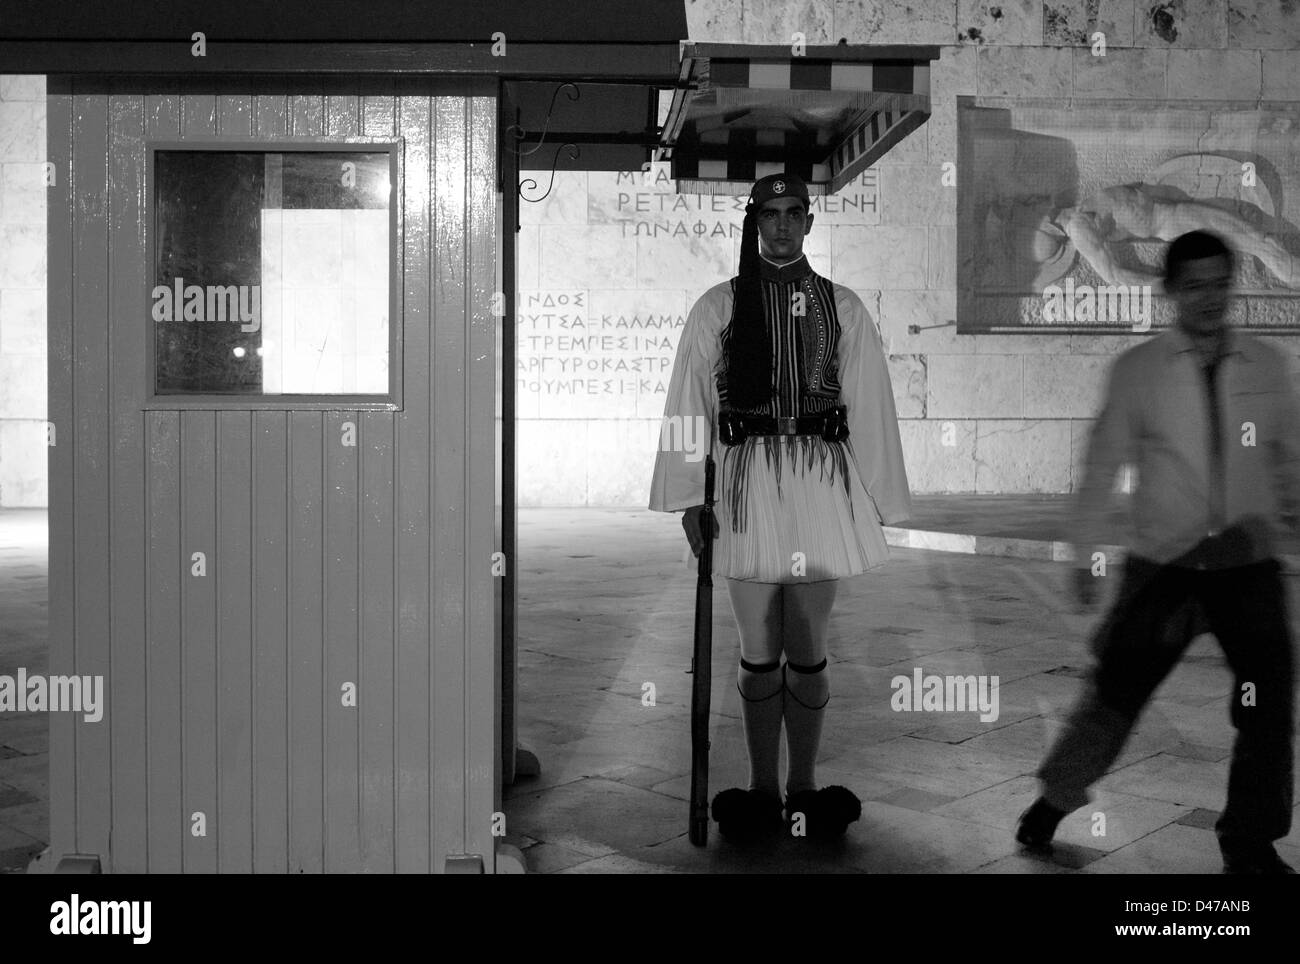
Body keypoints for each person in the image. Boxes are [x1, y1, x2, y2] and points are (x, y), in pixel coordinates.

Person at [1016, 230, 1300, 874]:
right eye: (1195, 285)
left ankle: (1250, 840)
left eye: (1220, 283)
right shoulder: (1139, 370)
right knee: (1115, 694)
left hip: (1247, 566)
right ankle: (1055, 798)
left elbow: (1288, 457)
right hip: (1163, 567)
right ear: (1171, 291)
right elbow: (1102, 466)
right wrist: (1085, 551)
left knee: (1268, 702)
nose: (1210, 298)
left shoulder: (1267, 365)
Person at [648, 172, 912, 842]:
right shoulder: (719, 305)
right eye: (772, 214)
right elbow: (689, 404)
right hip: (746, 481)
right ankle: (764, 787)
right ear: (754, 222)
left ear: (810, 223)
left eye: (796, 214)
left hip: (822, 481)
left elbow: (869, 403)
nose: (784, 227)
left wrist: (879, 497)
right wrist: (687, 497)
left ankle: (805, 786)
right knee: (759, 643)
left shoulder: (842, 306)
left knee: (809, 642)